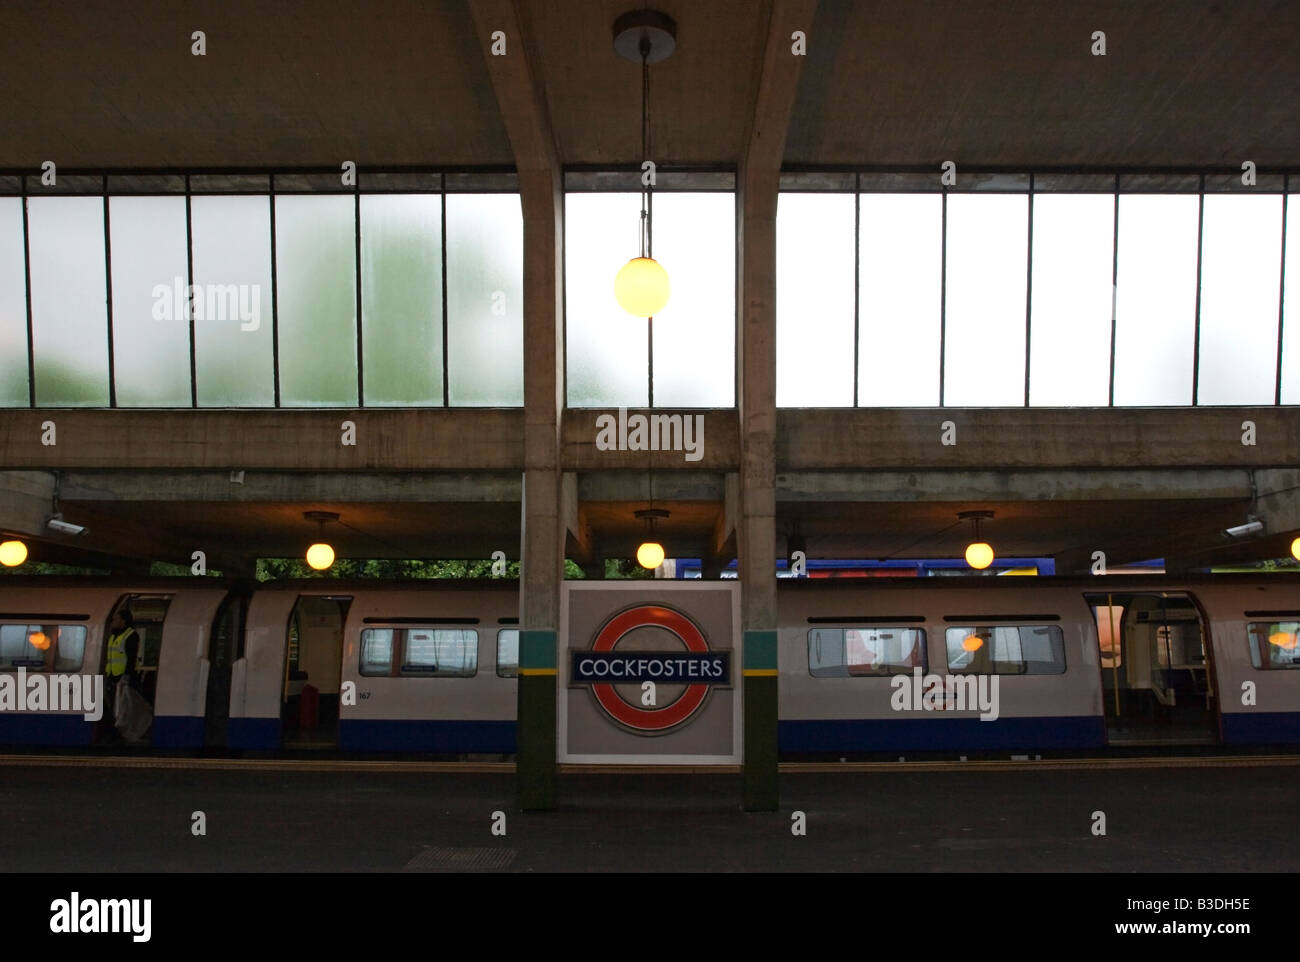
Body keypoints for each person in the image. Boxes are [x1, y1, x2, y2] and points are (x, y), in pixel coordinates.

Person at [100, 609, 140, 743]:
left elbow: (131, 658)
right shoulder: (113, 636)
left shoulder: (130, 635)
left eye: (116, 619)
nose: (113, 622)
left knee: (121, 708)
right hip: (112, 676)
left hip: (121, 678)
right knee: (113, 707)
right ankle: (115, 734)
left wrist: (126, 677)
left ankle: (122, 735)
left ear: (123, 621)